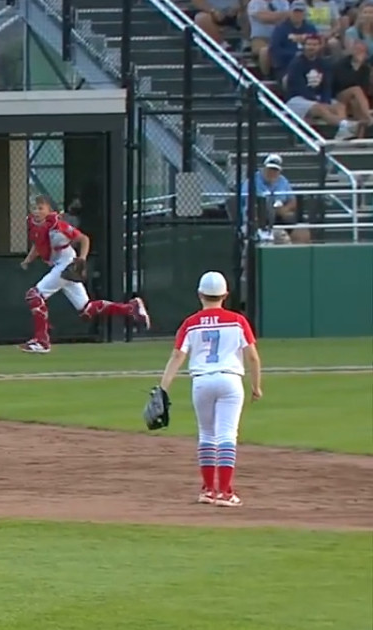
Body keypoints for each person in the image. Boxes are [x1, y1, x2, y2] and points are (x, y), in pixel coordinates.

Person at [157, 271, 263, 507]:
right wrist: (256, 386)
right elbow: (253, 357)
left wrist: (163, 387)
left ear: (199, 295)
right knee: (227, 435)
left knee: (206, 435)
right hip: (230, 381)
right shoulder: (237, 321)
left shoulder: (190, 323)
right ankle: (225, 492)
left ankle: (207, 490)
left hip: (201, 382)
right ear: (225, 295)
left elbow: (177, 356)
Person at [19, 195, 151, 354]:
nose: (37, 211)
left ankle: (42, 341)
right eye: (34, 208)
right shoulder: (35, 226)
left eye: (41, 208)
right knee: (86, 309)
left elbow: (84, 239)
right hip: (60, 265)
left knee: (34, 296)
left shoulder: (58, 225)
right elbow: (38, 245)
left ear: (50, 210)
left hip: (67, 263)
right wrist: (27, 260)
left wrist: (81, 258)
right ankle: (130, 308)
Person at [284, 33, 358, 139]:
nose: (311, 47)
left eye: (314, 45)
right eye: (309, 45)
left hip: (317, 97)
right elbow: (298, 87)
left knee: (340, 106)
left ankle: (342, 131)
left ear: (319, 47)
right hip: (297, 99)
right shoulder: (296, 63)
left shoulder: (324, 63)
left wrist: (325, 100)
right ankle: (344, 124)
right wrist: (318, 101)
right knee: (320, 108)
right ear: (304, 46)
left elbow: (327, 84)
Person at [271, 1, 319, 81]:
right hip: (286, 66)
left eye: (301, 12)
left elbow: (317, 46)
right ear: (290, 13)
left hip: (308, 65)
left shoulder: (311, 29)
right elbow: (275, 49)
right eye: (295, 12)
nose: (298, 15)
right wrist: (295, 55)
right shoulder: (280, 29)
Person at [248, 0, 292, 76]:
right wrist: (282, 15)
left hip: (281, 39)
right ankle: (267, 76)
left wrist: (274, 16)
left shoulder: (283, 2)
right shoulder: (254, 3)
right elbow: (264, 18)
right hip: (260, 39)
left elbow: (289, 19)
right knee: (265, 51)